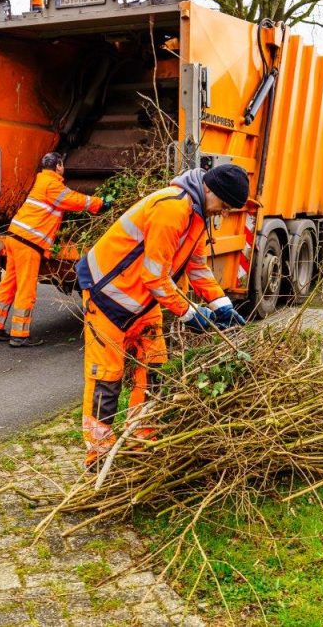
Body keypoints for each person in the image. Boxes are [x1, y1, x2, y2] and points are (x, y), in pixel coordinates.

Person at [76, 164, 249, 468]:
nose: (221, 213)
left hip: (142, 302)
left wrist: (222, 303)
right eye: (223, 205)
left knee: (154, 371)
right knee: (106, 380)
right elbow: (154, 277)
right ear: (210, 190)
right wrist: (190, 314)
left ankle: (141, 441)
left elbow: (195, 265)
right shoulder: (172, 208)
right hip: (106, 298)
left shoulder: (196, 216)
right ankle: (98, 457)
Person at [0, 152, 108, 347]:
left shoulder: (42, 181)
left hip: (15, 237)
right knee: (26, 289)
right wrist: (100, 203)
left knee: (10, 284)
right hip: (29, 243)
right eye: (62, 164)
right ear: (58, 165)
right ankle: (20, 335)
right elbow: (74, 200)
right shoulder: (51, 184)